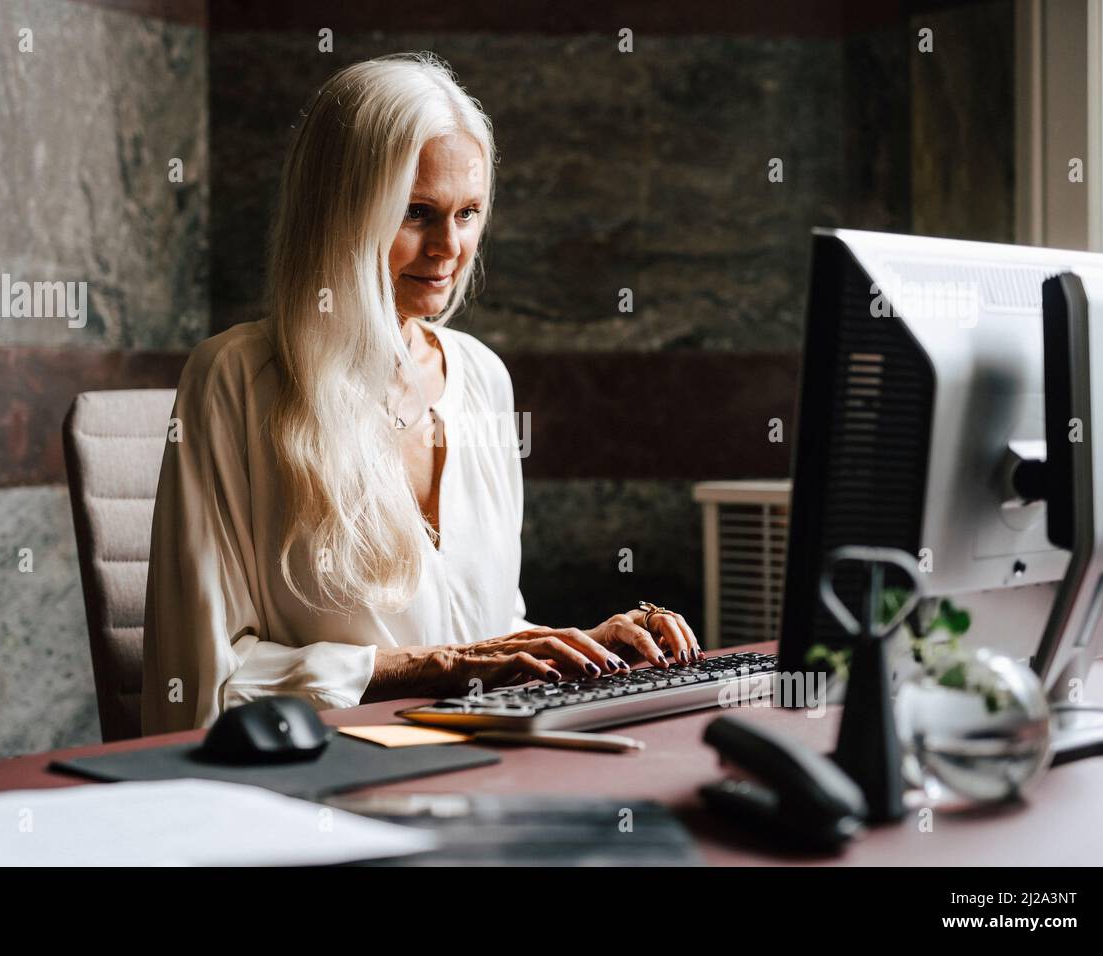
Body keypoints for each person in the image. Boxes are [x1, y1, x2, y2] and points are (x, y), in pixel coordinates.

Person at [141, 52, 701, 734]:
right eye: (416, 213)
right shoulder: (235, 379)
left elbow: (481, 634)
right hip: (330, 778)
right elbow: (203, 682)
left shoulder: (483, 378)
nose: (449, 247)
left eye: (467, 213)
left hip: (490, 765)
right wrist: (437, 667)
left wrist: (584, 646)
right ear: (339, 214)